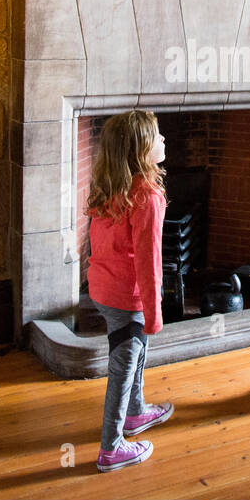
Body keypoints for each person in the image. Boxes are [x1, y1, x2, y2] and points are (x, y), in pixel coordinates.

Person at [85, 109, 174, 471]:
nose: (164, 140)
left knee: (134, 352)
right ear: (141, 151)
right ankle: (111, 447)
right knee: (124, 362)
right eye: (157, 137)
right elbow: (149, 261)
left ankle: (135, 412)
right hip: (126, 294)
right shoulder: (147, 197)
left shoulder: (111, 187)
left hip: (103, 287)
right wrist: (153, 313)